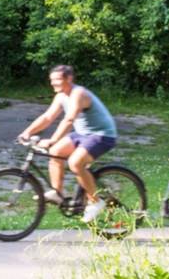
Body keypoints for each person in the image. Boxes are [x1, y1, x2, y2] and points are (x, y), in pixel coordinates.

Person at [17, 64, 118, 222]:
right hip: (82, 134)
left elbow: (69, 119)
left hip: (102, 135)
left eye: (57, 79)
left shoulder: (78, 93)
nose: (53, 83)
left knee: (75, 162)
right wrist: (27, 132)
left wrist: (52, 139)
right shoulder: (61, 96)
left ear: (69, 79)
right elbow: (47, 117)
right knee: (55, 152)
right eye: (51, 80)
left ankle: (96, 202)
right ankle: (57, 193)